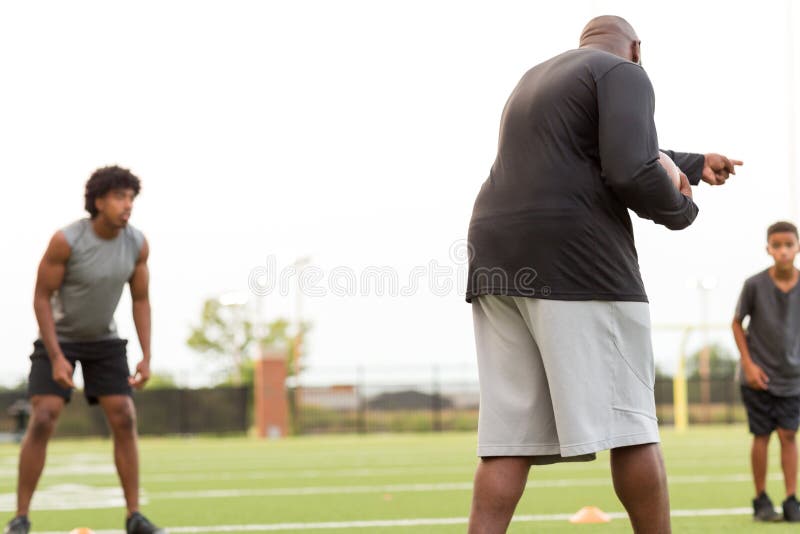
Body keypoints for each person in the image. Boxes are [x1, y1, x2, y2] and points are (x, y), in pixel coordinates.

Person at [465, 15, 741, 534]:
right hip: (576, 258)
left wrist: (694, 161)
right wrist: (682, 209)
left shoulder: (536, 78)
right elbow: (630, 168)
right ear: (637, 47)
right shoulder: (625, 72)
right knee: (632, 426)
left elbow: (592, 152)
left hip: (495, 260)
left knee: (507, 441)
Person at [4, 166, 166, 534]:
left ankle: (134, 516)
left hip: (104, 340)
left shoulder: (137, 244)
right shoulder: (67, 240)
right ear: (99, 202)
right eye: (120, 197)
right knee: (43, 416)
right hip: (59, 338)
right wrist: (57, 355)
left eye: (131, 198)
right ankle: (20, 518)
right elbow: (41, 297)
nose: (128, 206)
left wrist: (147, 355)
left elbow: (140, 300)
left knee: (124, 415)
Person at [733, 221, 800, 523]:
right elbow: (737, 322)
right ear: (768, 249)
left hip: (792, 376)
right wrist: (748, 364)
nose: (783, 250)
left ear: (797, 247)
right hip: (757, 376)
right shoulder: (754, 285)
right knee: (761, 435)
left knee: (789, 434)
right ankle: (761, 500)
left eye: (789, 244)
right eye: (777, 245)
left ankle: (791, 500)